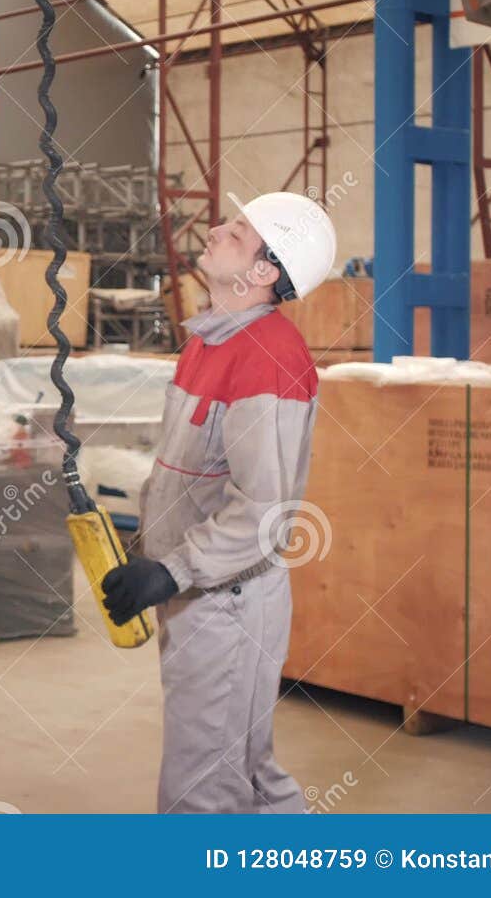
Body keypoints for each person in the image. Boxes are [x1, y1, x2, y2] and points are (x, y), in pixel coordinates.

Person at [100, 191, 336, 813]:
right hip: (198, 592)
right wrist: (145, 544)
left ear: (264, 272)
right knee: (246, 773)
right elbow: (184, 470)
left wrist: (172, 569)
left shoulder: (270, 358)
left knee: (202, 791)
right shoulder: (207, 341)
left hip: (226, 601)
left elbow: (263, 513)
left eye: (235, 232)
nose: (212, 231)